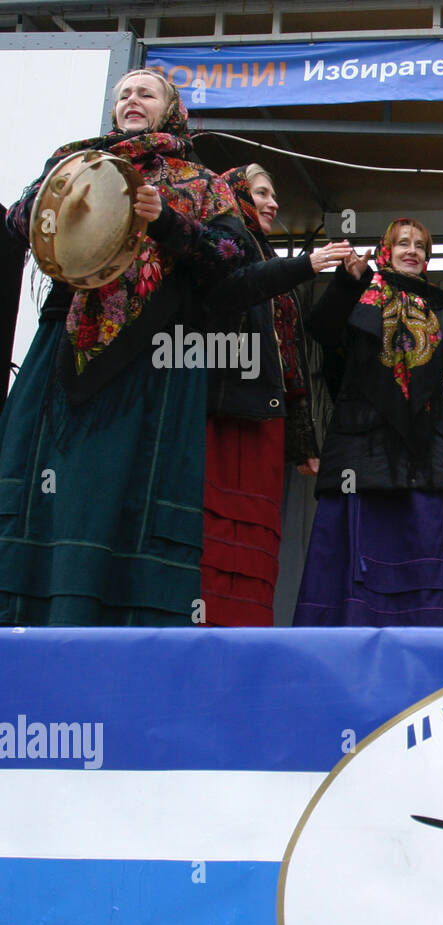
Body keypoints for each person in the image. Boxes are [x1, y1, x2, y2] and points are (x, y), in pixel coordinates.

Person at [0, 69, 246, 625]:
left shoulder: (201, 183)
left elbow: (232, 256)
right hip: (65, 349)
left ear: (172, 109)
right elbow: (21, 224)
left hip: (155, 360)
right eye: (124, 94)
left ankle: (121, 630)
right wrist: (50, 199)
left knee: (127, 490)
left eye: (147, 93)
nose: (133, 100)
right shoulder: (73, 163)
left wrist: (167, 222)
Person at [293, 218, 443, 626]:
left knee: (426, 573)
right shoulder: (359, 293)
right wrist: (346, 282)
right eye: (403, 244)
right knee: (356, 576)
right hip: (363, 460)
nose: (413, 251)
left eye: (421, 246)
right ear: (386, 251)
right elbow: (321, 329)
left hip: (425, 459)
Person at [201, 163, 351, 625]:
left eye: (274, 195)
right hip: (224, 417)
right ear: (236, 195)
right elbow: (230, 298)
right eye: (261, 193)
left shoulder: (264, 255)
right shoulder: (221, 251)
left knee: (258, 540)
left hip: (267, 423)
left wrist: (304, 442)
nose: (273, 203)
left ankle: (248, 641)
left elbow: (290, 360)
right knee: (218, 534)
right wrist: (306, 264)